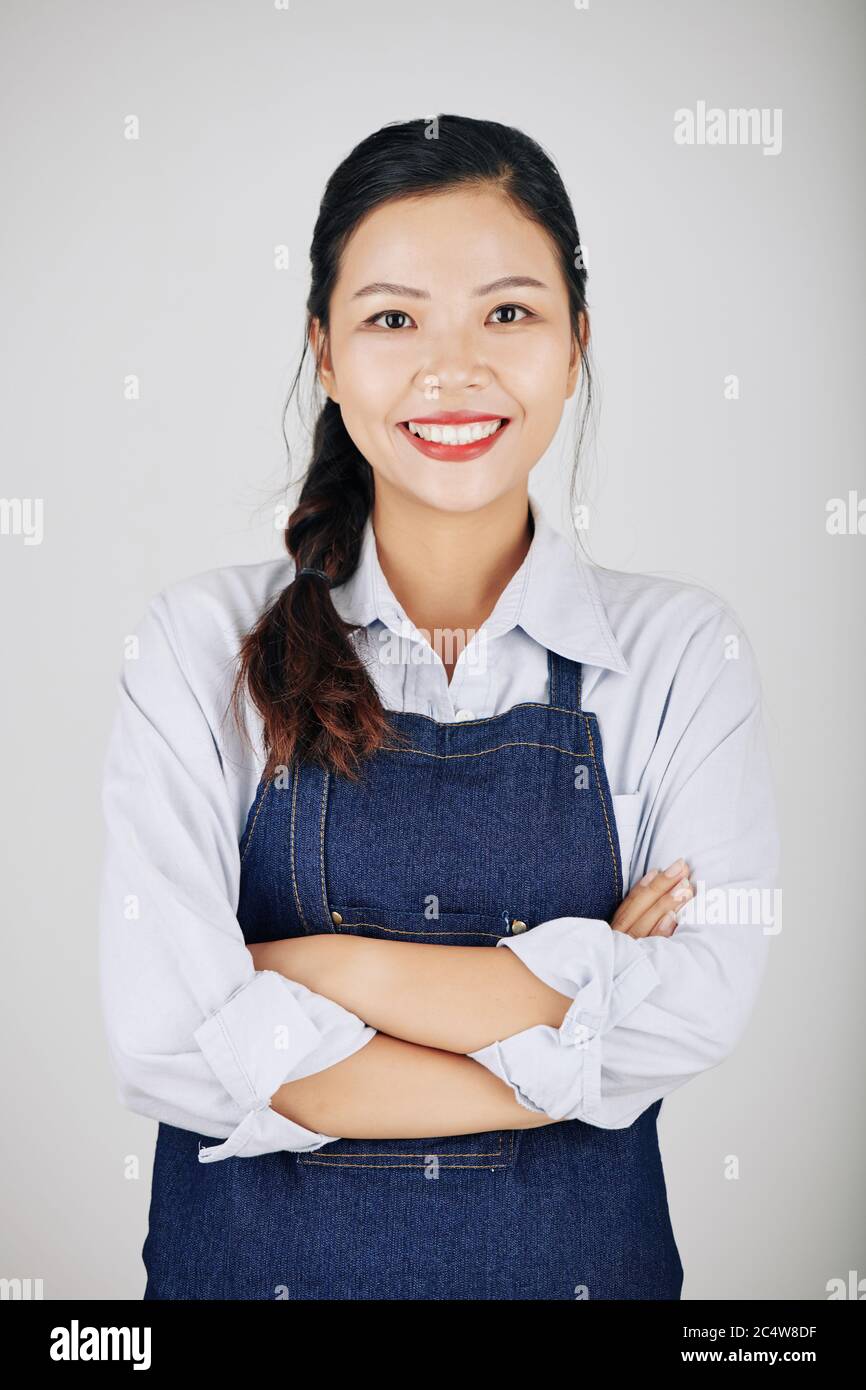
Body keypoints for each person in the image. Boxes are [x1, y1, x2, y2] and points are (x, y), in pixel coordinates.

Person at [97, 114, 780, 1301]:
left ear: (576, 342)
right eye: (392, 318)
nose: (450, 367)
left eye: (506, 313)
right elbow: (166, 1042)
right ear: (323, 348)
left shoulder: (677, 653)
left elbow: (695, 1012)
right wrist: (579, 1011)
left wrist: (319, 973)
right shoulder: (197, 644)